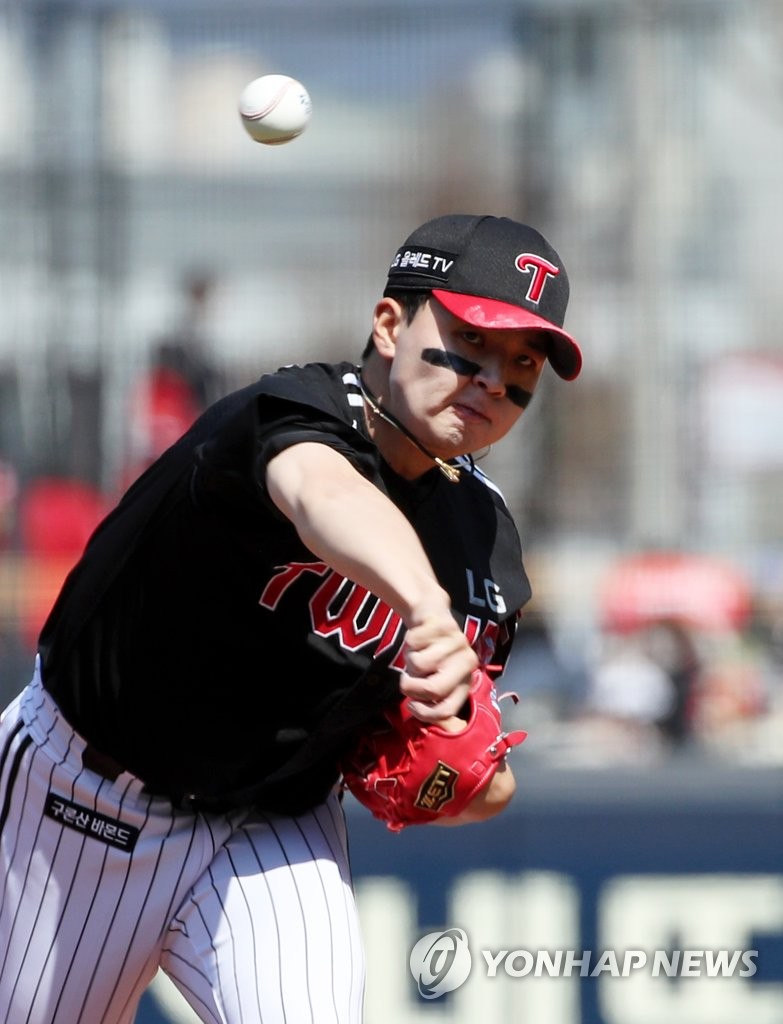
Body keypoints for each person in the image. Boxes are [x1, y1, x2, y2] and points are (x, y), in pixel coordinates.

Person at [0, 214, 582, 1023]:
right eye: (471, 340)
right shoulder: (290, 411)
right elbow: (325, 496)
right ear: (388, 324)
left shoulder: (482, 543)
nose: (492, 379)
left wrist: (468, 776)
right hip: (84, 800)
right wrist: (420, 606)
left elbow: (469, 766)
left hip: (273, 824)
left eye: (523, 363)